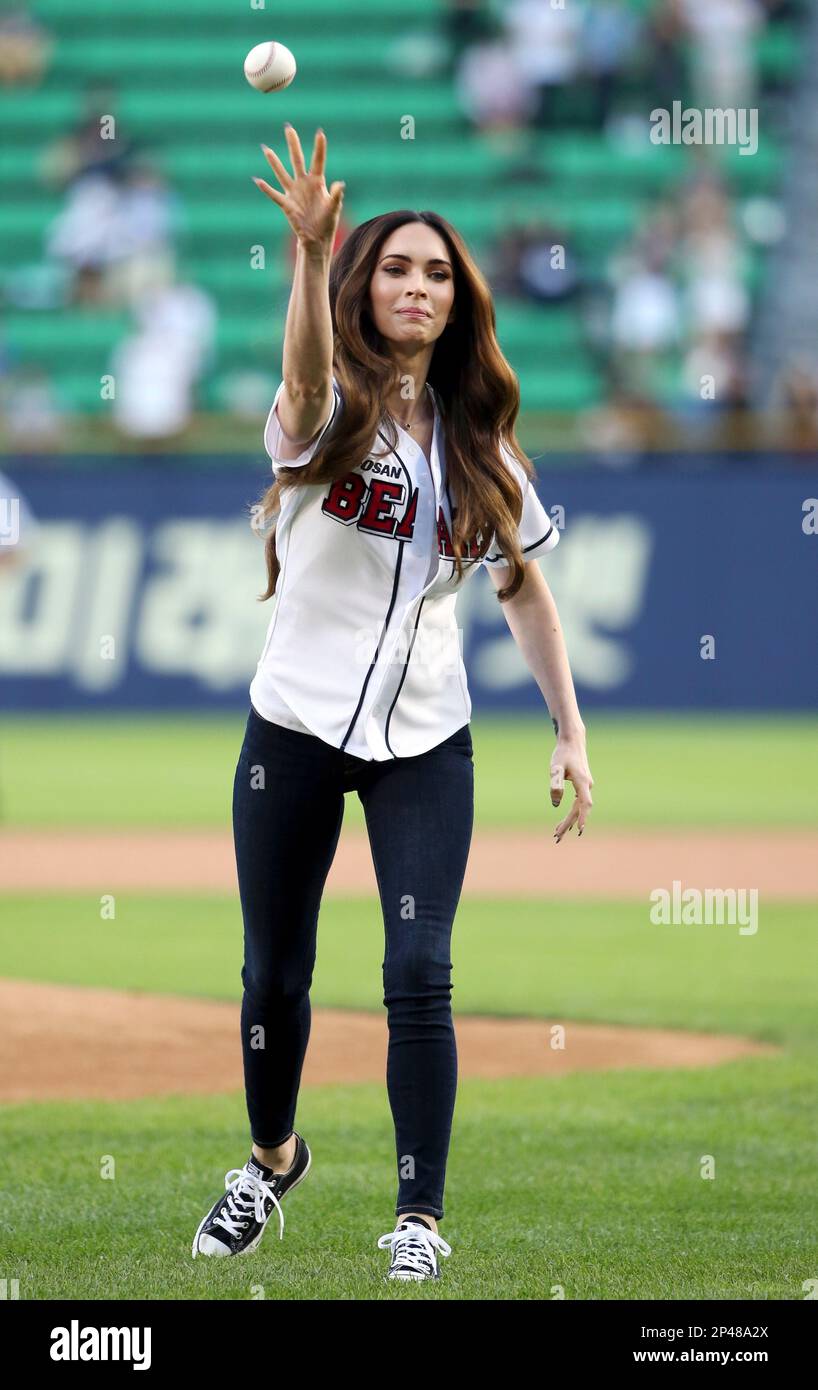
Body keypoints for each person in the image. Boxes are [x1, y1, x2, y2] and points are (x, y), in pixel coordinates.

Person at [191, 125, 594, 1283]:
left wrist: (567, 726)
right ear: (360, 288)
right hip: (294, 731)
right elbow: (306, 378)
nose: (414, 286)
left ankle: (417, 1216)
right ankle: (270, 1160)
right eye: (392, 268)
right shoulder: (326, 414)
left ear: (457, 300)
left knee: (419, 967)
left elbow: (521, 585)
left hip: (427, 737)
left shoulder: (481, 444)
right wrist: (307, 256)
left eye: (434, 272)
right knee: (275, 971)